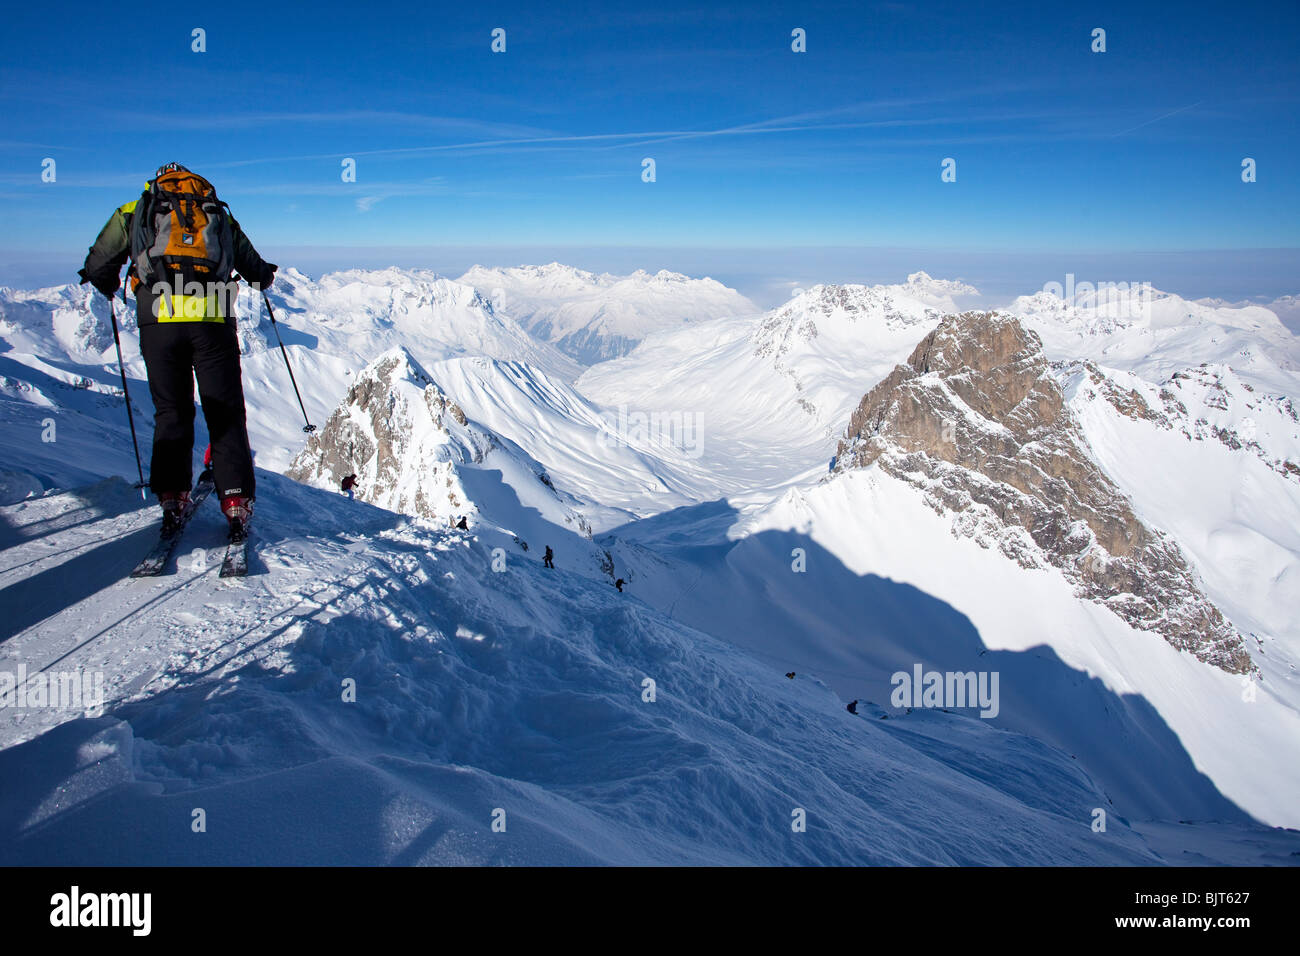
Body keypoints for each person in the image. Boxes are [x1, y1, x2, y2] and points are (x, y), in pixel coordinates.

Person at [79, 162, 276, 538]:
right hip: (212, 318)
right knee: (225, 412)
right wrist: (264, 275)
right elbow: (254, 268)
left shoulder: (136, 209)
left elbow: (100, 261)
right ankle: (236, 501)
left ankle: (172, 496)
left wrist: (106, 282)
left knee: (172, 410)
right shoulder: (216, 213)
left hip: (159, 319)